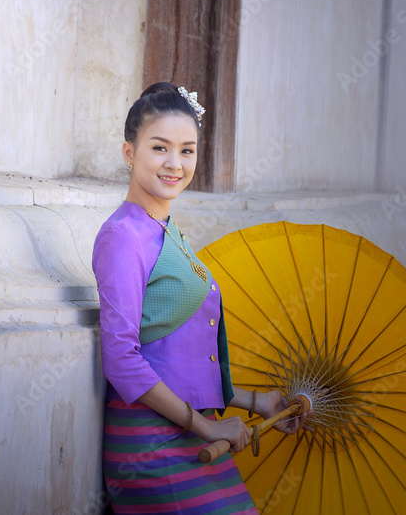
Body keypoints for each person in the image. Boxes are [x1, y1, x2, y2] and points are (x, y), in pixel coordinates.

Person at [94, 82, 307, 514]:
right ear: (129, 153)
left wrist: (252, 401)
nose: (175, 163)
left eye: (187, 150)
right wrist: (205, 429)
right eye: (159, 148)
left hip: (196, 435)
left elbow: (177, 356)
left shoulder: (166, 231)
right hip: (150, 448)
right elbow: (120, 357)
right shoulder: (123, 237)